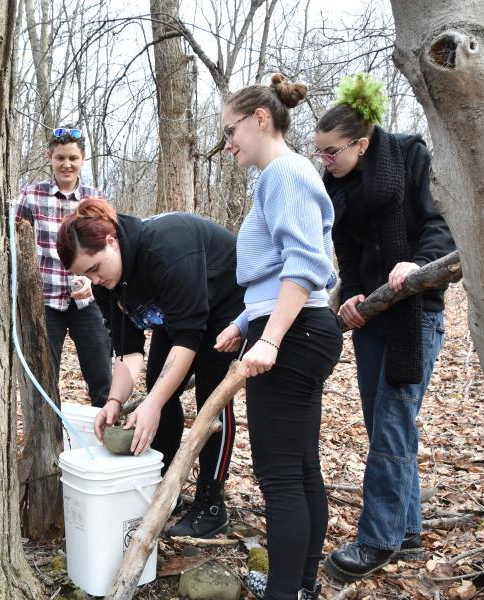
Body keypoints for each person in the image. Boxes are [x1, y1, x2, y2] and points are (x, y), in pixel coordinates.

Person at [313, 73, 455, 582]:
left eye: (331, 152)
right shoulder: (335, 186)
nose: (324, 162)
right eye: (320, 153)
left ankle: (377, 540)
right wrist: (351, 292)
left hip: (415, 312)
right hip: (372, 312)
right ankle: (408, 532)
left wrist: (417, 264)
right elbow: (346, 248)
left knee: (393, 423)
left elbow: (441, 222)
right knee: (383, 424)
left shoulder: (409, 157)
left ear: (362, 143)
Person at [214, 74, 343, 600]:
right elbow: (277, 273)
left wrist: (269, 339)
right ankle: (301, 584)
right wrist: (245, 324)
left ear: (260, 119)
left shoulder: (285, 173)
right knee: (302, 468)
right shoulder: (281, 175)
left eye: (231, 130)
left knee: (280, 478)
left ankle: (284, 593)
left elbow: (306, 264)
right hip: (294, 329)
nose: (228, 142)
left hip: (290, 336)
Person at [56, 198, 245, 539]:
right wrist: (113, 402)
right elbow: (128, 351)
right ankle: (163, 487)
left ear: (112, 242)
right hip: (174, 316)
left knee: (211, 402)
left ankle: (211, 504)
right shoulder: (108, 283)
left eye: (95, 268)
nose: (93, 279)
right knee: (159, 393)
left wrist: (152, 403)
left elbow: (189, 339)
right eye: (85, 274)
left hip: (226, 306)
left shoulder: (163, 249)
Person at [15, 127, 112, 408]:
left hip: (89, 303)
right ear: (50, 158)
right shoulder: (31, 196)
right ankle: (48, 445)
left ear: (82, 159)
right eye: (60, 158)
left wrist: (92, 282)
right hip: (46, 302)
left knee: (102, 378)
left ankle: (105, 438)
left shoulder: (95, 199)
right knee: (44, 379)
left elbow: (111, 247)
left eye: (73, 158)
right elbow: (11, 244)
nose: (66, 164)